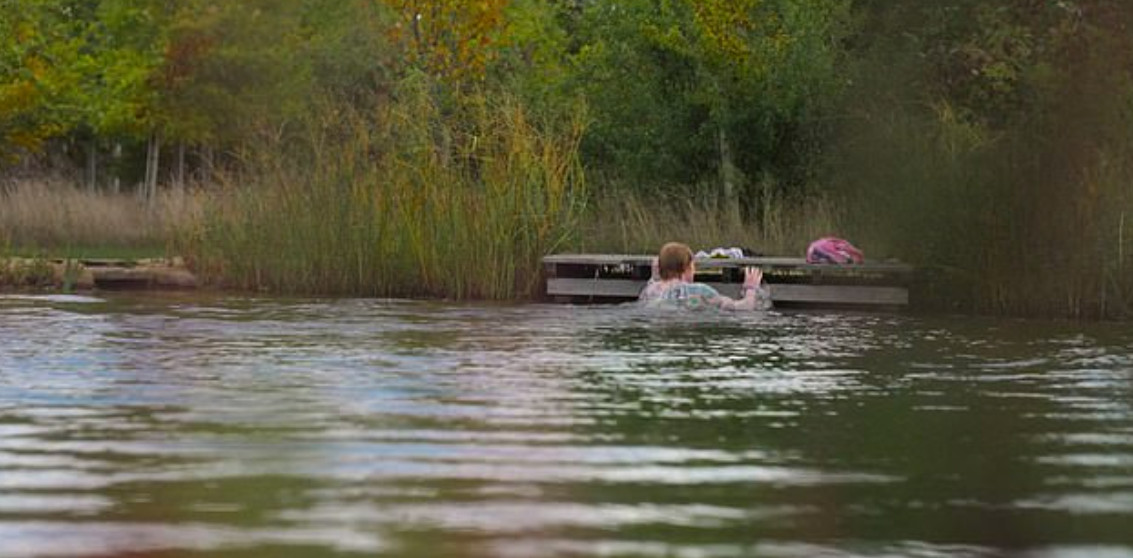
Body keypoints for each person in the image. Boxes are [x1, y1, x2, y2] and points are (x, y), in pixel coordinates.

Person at [638, 242, 771, 311]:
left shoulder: (650, 290)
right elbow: (743, 308)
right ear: (688, 268)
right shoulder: (700, 292)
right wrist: (751, 289)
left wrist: (656, 274)